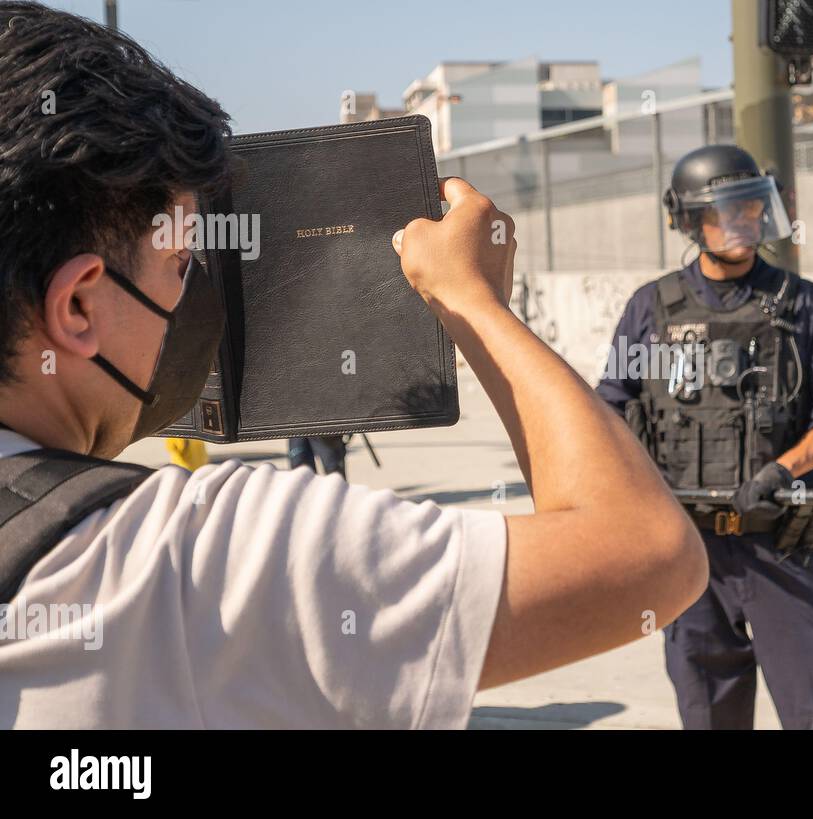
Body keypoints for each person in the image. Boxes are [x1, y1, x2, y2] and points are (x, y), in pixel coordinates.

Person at [0, 2, 706, 728]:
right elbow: (647, 553)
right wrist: (476, 302)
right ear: (79, 308)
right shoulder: (194, 560)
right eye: (182, 262)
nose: (194, 296)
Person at [596, 144, 813, 729]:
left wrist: (782, 471)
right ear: (691, 221)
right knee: (709, 712)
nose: (744, 223)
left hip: (783, 542)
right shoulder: (650, 308)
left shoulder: (806, 305)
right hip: (687, 550)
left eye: (752, 208)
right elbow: (609, 410)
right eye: (727, 212)